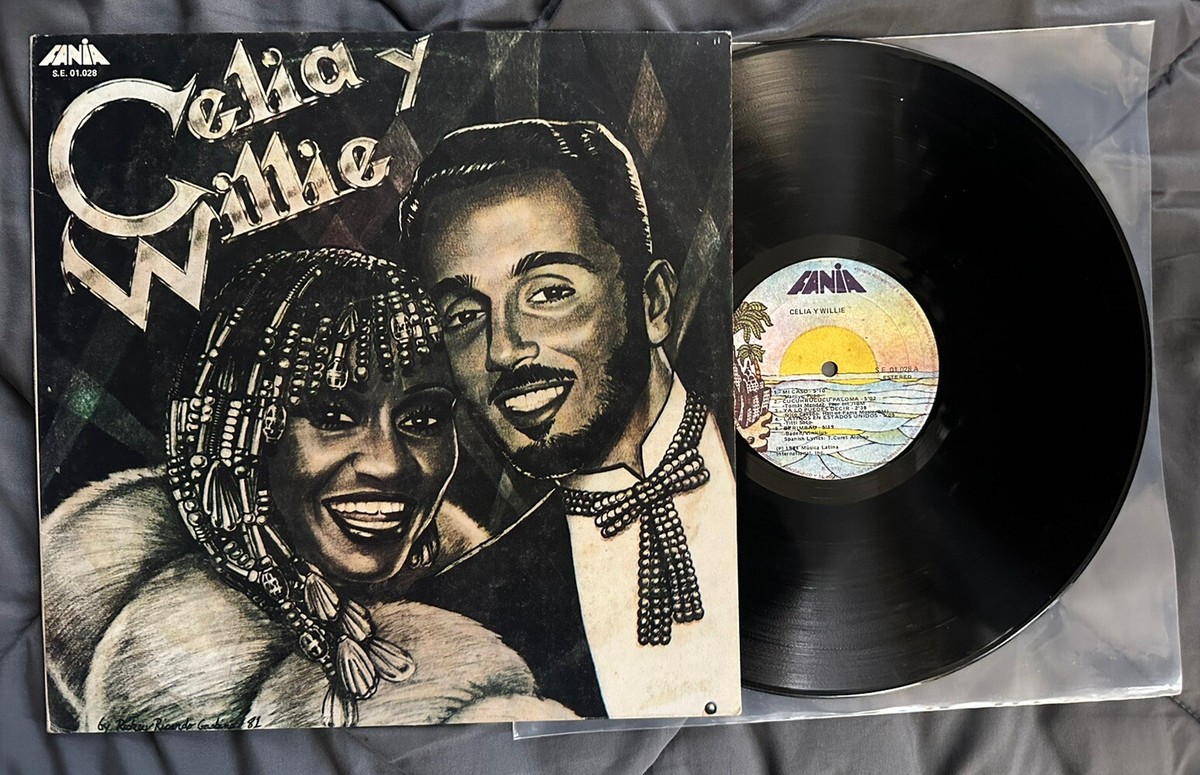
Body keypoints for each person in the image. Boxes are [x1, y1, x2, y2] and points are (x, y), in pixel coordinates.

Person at [41, 247, 575, 730]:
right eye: (332, 416)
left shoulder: (503, 595)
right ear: (244, 435)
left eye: (423, 419)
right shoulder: (174, 663)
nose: (389, 464)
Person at [397, 119, 741, 718]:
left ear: (654, 303)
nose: (503, 349)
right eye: (463, 316)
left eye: (549, 293)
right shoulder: (460, 621)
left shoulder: (789, 454)